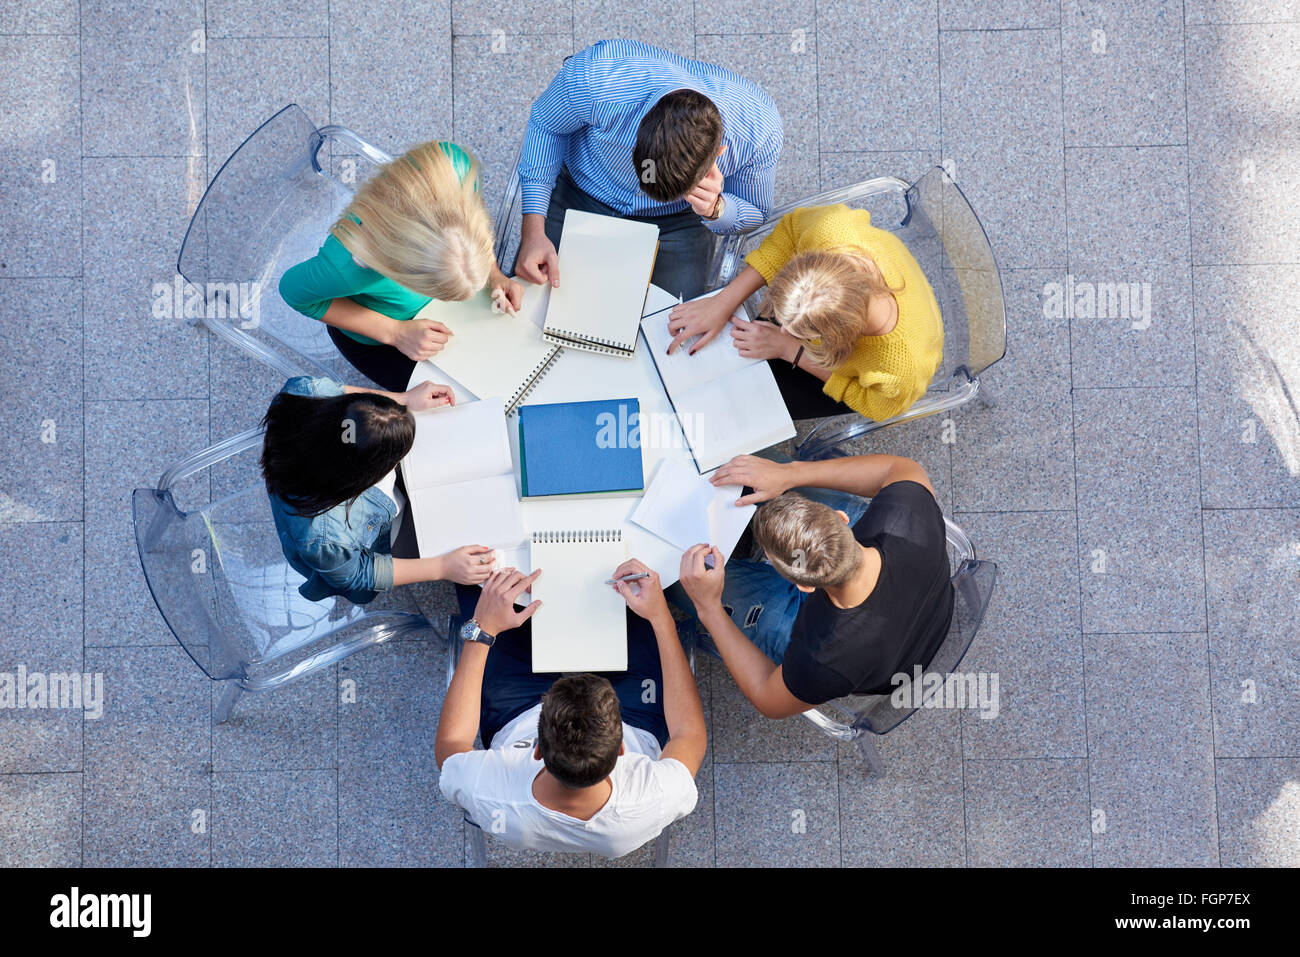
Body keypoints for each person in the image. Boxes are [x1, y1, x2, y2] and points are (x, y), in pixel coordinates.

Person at [436, 560, 707, 859]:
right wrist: (661, 619)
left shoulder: (486, 789)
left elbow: (451, 747)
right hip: (635, 715)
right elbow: (689, 733)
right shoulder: (657, 795)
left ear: (537, 750)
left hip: (515, 712)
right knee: (640, 587)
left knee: (484, 582)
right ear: (620, 749)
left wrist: (483, 630)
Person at [673, 452, 954, 718]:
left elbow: (768, 698)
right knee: (755, 465)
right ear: (841, 518)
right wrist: (789, 474)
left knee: (676, 575)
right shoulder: (909, 514)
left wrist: (708, 607)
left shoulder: (822, 658)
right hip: (925, 599)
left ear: (801, 586)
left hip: (869, 658)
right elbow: (901, 469)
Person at [513, 38, 783, 302]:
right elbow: (547, 126)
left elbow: (756, 210)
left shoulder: (758, 132)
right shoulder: (598, 78)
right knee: (526, 300)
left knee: (678, 329)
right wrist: (533, 232)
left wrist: (717, 208)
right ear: (639, 131)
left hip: (677, 223)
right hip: (581, 191)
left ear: (719, 155)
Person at [278, 140, 522, 392]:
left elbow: (472, 211)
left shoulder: (453, 167)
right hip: (379, 336)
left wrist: (491, 273)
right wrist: (395, 333)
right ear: (402, 271)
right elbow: (293, 293)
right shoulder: (349, 267)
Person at [664, 204, 944, 421]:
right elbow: (790, 232)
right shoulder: (830, 231)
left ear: (835, 340)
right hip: (828, 326)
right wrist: (723, 302)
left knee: (738, 402)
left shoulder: (901, 369)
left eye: (796, 330)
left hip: (848, 374)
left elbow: (877, 406)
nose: (781, 328)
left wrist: (791, 350)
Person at [260, 376, 501, 604]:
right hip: (361, 545)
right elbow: (356, 575)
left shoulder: (305, 392)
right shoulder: (324, 539)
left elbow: (347, 400)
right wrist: (443, 567)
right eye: (395, 458)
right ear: (366, 474)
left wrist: (402, 400)